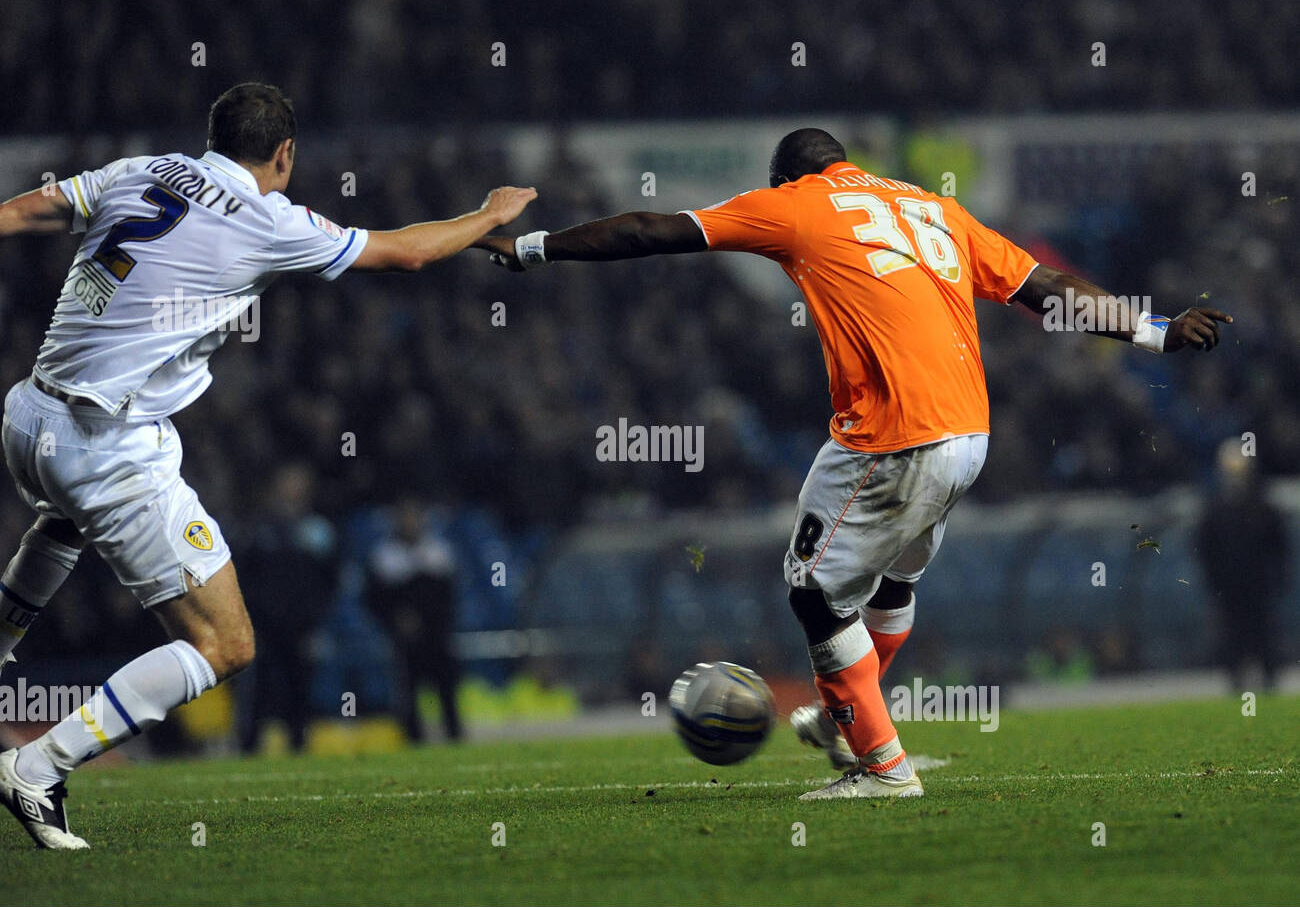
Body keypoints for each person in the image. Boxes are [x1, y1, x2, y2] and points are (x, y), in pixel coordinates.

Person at [477, 127, 1228, 800]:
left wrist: (532, 248)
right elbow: (1048, 292)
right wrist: (1158, 331)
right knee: (894, 577)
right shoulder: (937, 209)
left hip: (895, 434)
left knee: (813, 590)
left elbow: (646, 229)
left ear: (787, 181)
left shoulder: (798, 204)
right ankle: (845, 726)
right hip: (968, 432)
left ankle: (882, 767)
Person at [0, 82, 536, 848]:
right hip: (103, 442)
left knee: (60, 526)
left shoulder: (140, 169)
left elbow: (26, 210)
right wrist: (488, 216)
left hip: (27, 414)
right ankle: (41, 768)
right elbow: (406, 252)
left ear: (212, 136)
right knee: (226, 644)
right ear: (285, 154)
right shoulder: (266, 218)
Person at [236, 461, 339, 754]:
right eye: (289, 480)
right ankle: (249, 748)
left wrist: (315, 619)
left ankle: (299, 747)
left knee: (300, 690)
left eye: (299, 481)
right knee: (259, 691)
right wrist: (254, 617)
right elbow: (245, 577)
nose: (294, 487)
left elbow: (328, 580)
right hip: (264, 628)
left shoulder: (318, 530)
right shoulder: (259, 530)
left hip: (302, 628)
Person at [364, 495, 462, 744]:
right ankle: (414, 740)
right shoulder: (385, 556)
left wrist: (434, 622)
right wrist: (396, 620)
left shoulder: (439, 552)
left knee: (446, 690)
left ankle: (454, 737)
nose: (410, 521)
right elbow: (374, 600)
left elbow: (450, 598)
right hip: (404, 641)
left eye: (414, 515)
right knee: (408, 694)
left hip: (437, 636)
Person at [1196, 438, 1290, 692]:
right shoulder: (1216, 510)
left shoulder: (1263, 509)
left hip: (1258, 585)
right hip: (1230, 587)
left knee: (1263, 635)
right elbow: (1205, 550)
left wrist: (1279, 578)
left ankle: (1269, 681)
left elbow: (1279, 548)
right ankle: (1237, 681)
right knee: (1233, 636)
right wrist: (1214, 580)